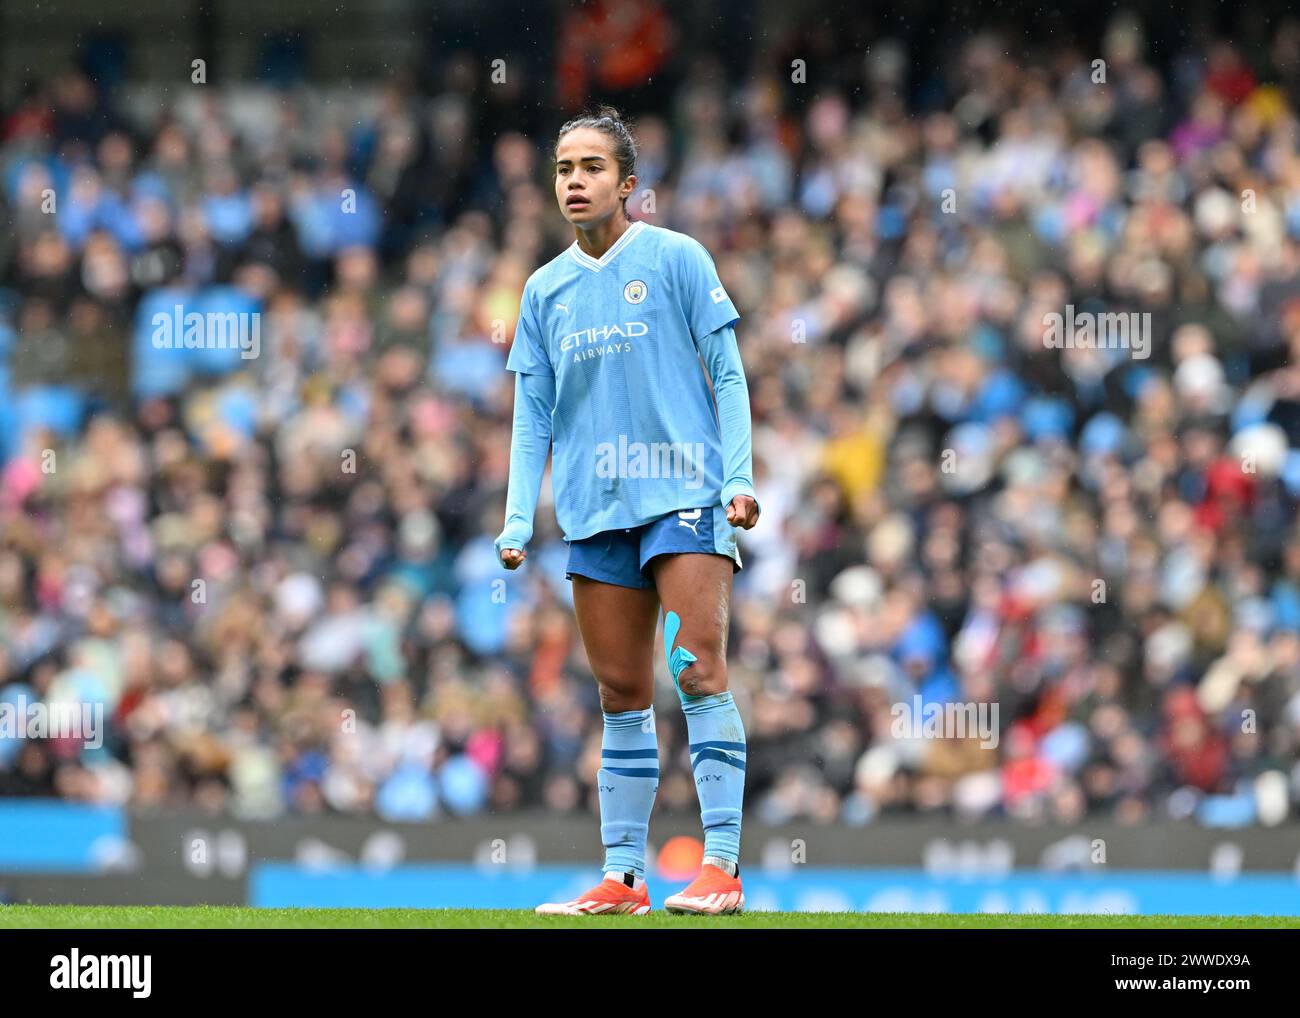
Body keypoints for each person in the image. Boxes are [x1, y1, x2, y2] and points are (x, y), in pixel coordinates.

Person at [494, 105, 760, 915]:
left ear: (628, 184)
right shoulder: (544, 291)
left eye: (592, 168)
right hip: (593, 510)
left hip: (683, 494)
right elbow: (531, 414)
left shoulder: (677, 258)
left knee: (695, 669)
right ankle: (626, 878)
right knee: (619, 694)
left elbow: (729, 373)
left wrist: (738, 479)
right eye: (564, 169)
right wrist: (515, 520)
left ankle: (720, 868)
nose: (575, 182)